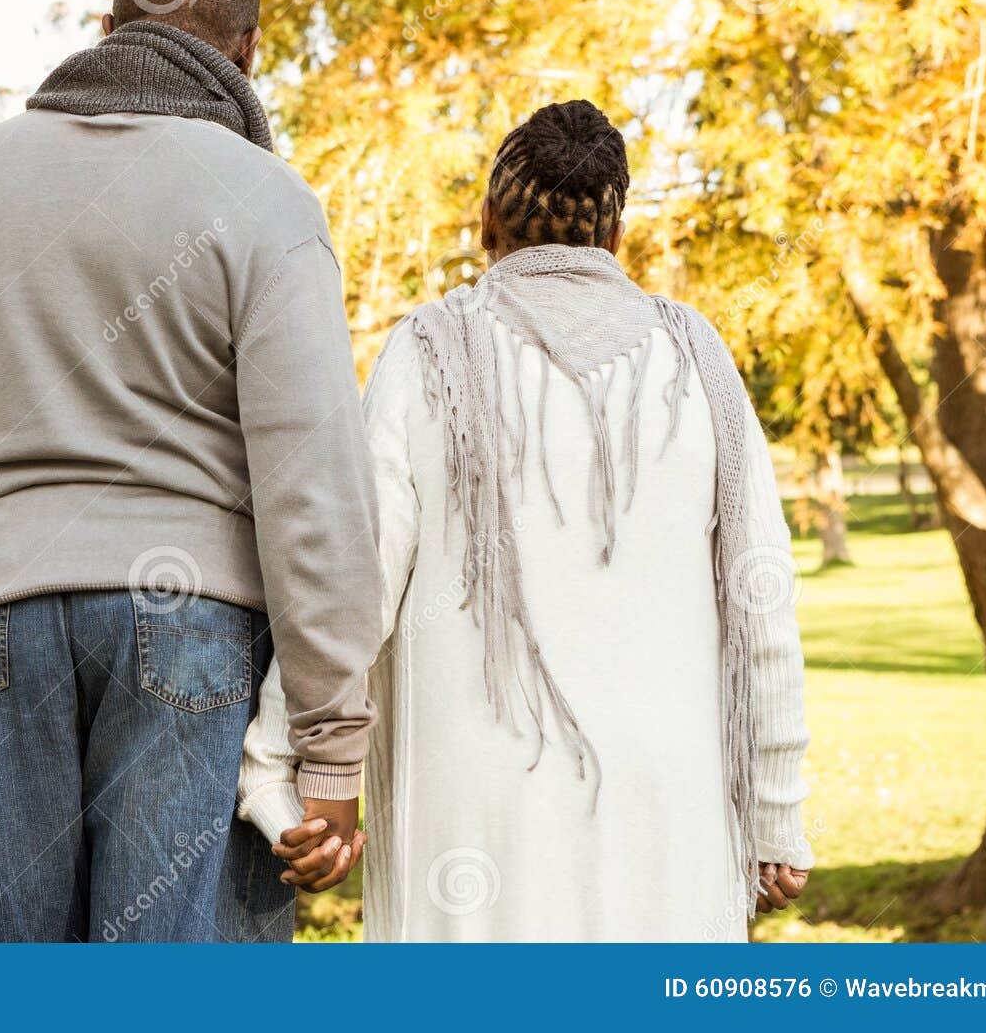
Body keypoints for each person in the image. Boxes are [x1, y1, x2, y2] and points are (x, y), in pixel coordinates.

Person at [0, 0, 382, 942]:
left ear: (106, 28)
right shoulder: (266, 200)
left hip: (1, 620)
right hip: (192, 623)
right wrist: (330, 743)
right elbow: (313, 482)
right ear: (249, 52)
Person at [241, 100, 813, 940]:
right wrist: (776, 814)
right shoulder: (696, 361)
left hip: (470, 816)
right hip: (669, 812)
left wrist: (273, 768)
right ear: (616, 233)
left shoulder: (427, 348)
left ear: (486, 220)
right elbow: (762, 596)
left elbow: (352, 582)